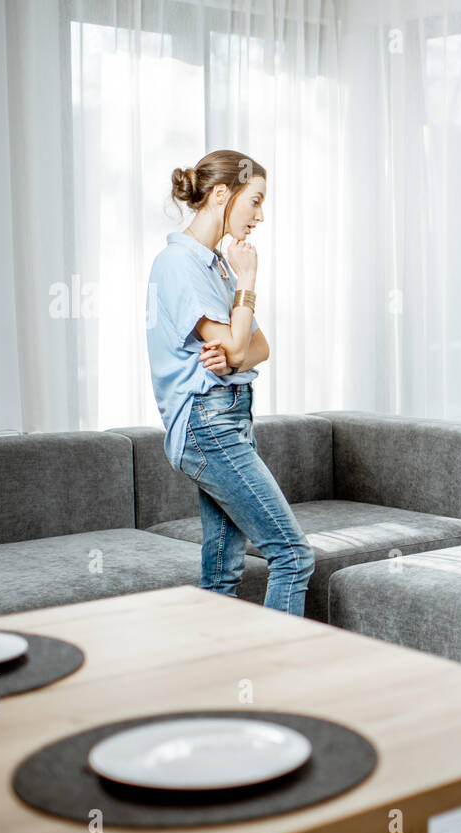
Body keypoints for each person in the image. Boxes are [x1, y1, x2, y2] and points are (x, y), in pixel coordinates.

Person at [145, 149, 315, 616]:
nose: (261, 215)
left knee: (222, 575)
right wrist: (249, 281)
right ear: (222, 194)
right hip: (208, 425)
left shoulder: (215, 265)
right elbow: (240, 349)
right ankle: (280, 680)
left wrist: (236, 345)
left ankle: (219, 678)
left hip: (230, 419)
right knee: (293, 555)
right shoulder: (180, 265)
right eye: (255, 201)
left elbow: (257, 348)